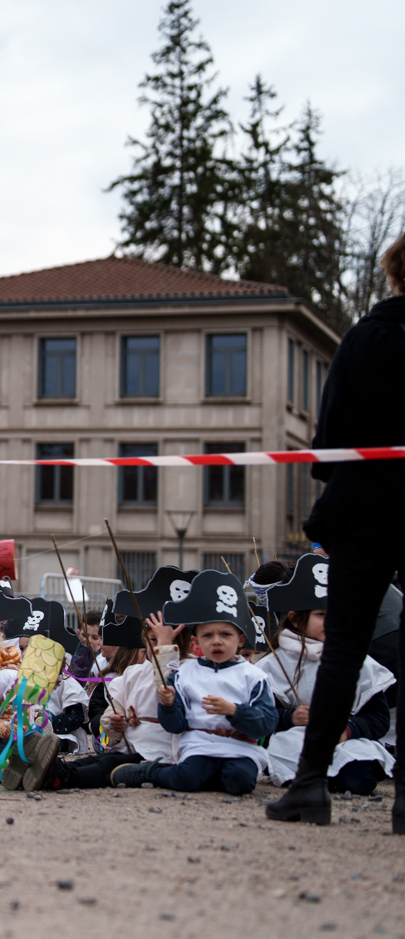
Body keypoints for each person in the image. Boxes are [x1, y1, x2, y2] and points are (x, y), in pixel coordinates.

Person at [266, 237, 405, 830]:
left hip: (361, 509)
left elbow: (328, 445)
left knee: (343, 648)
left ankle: (309, 786)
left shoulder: (364, 338)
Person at [113, 574, 276, 795]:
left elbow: (267, 722)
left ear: (240, 639)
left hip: (240, 748)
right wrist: (168, 705)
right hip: (200, 746)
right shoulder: (183, 674)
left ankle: (215, 777)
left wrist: (235, 711)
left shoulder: (255, 676)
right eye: (208, 635)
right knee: (187, 779)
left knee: (240, 783)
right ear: (196, 641)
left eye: (225, 634)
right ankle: (151, 772)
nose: (216, 641)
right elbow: (175, 725)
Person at [258, 554, 395, 795]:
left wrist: (348, 730)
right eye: (322, 615)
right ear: (296, 619)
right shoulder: (273, 665)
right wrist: (290, 717)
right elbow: (262, 718)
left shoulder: (358, 660)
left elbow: (379, 718)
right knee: (295, 768)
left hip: (346, 741)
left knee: (358, 781)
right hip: (296, 741)